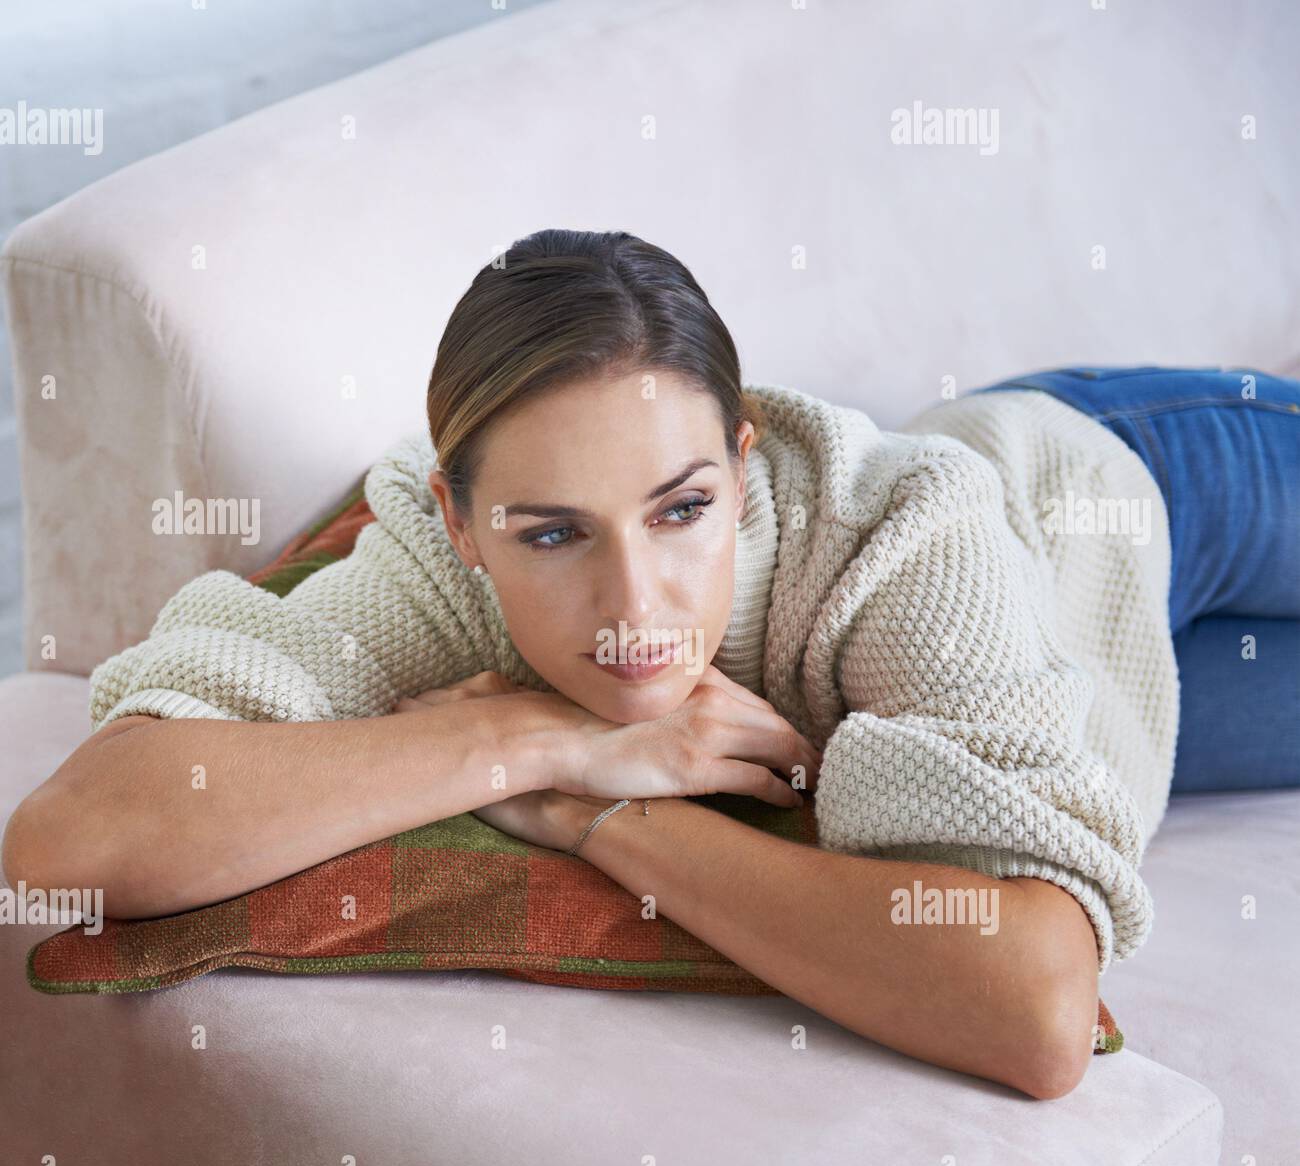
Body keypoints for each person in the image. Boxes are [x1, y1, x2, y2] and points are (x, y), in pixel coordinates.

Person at [7, 230, 1291, 1101]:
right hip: (1132, 685)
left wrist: (601, 818)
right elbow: (62, 854)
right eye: (553, 533)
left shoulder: (905, 534)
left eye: (682, 509)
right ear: (461, 525)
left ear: (740, 466)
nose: (633, 610)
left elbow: (1036, 1004)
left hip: (1132, 483)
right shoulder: (433, 572)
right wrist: (538, 742)